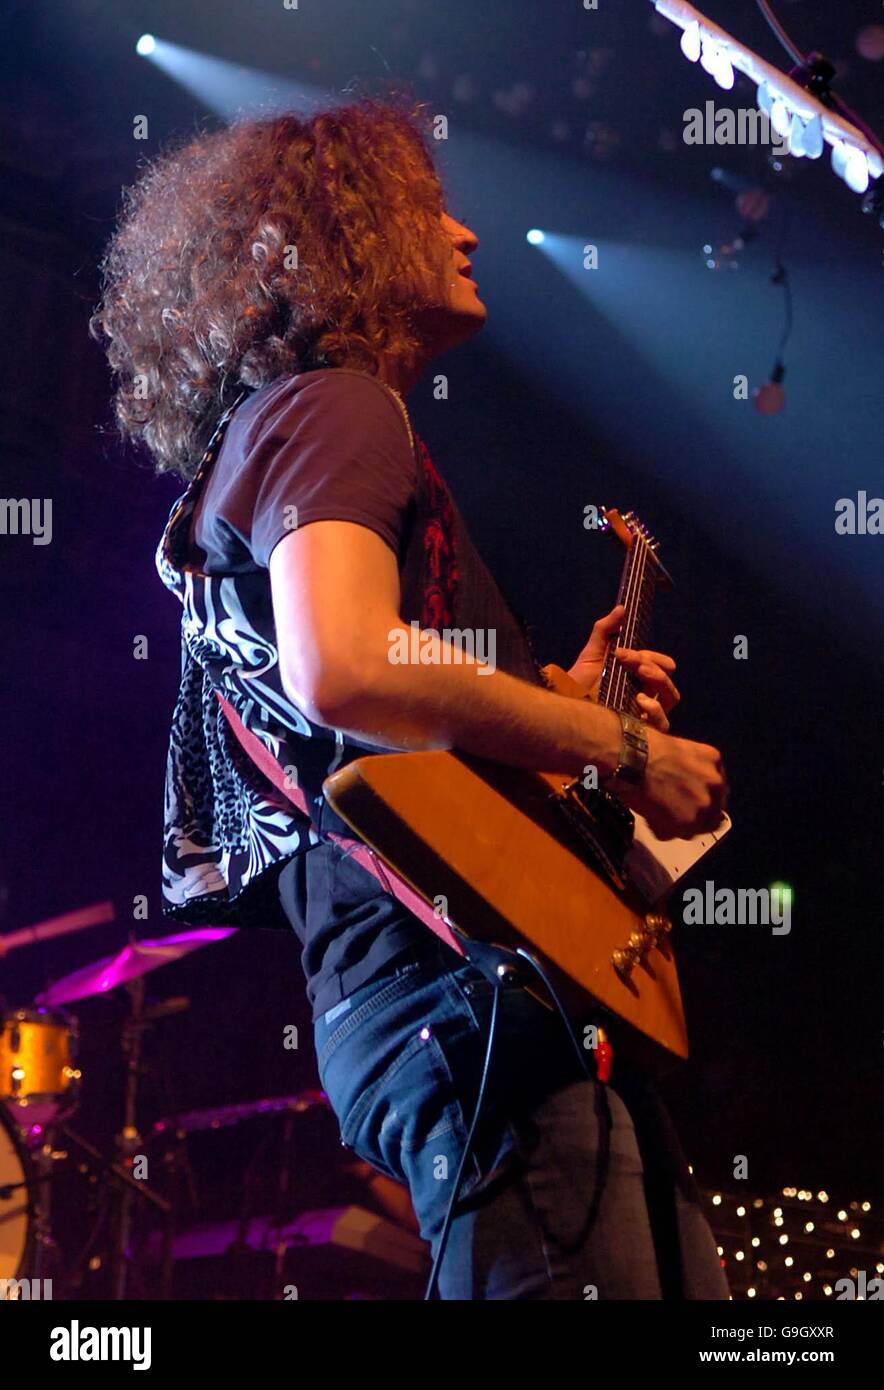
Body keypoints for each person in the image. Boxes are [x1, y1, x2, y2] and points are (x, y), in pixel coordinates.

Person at [92, 99, 729, 1300]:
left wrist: (550, 700)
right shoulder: (338, 405)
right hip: (470, 993)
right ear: (351, 235)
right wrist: (621, 743)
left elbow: (361, 690)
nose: (468, 231)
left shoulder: (278, 429)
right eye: (430, 205)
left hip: (463, 1003)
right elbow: (347, 662)